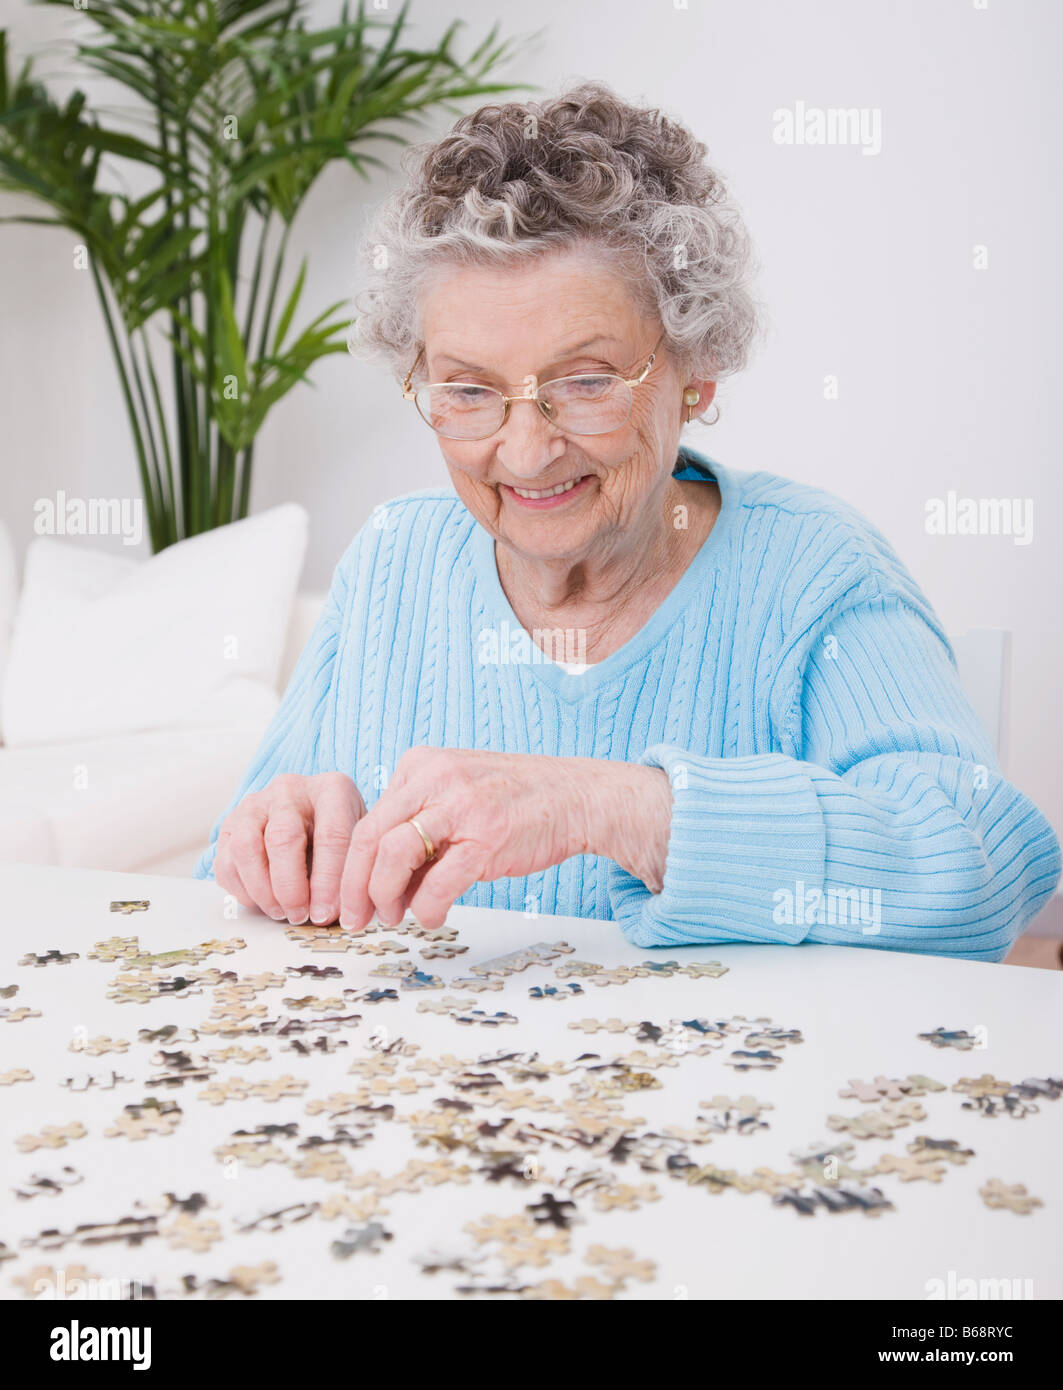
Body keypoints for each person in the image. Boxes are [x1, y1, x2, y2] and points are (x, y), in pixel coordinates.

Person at [193, 81, 1060, 960]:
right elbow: (229, 882)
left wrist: (609, 806)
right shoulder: (395, 557)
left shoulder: (814, 568)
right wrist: (269, 850)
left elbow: (982, 875)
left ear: (697, 366)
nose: (525, 452)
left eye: (586, 382)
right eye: (467, 390)